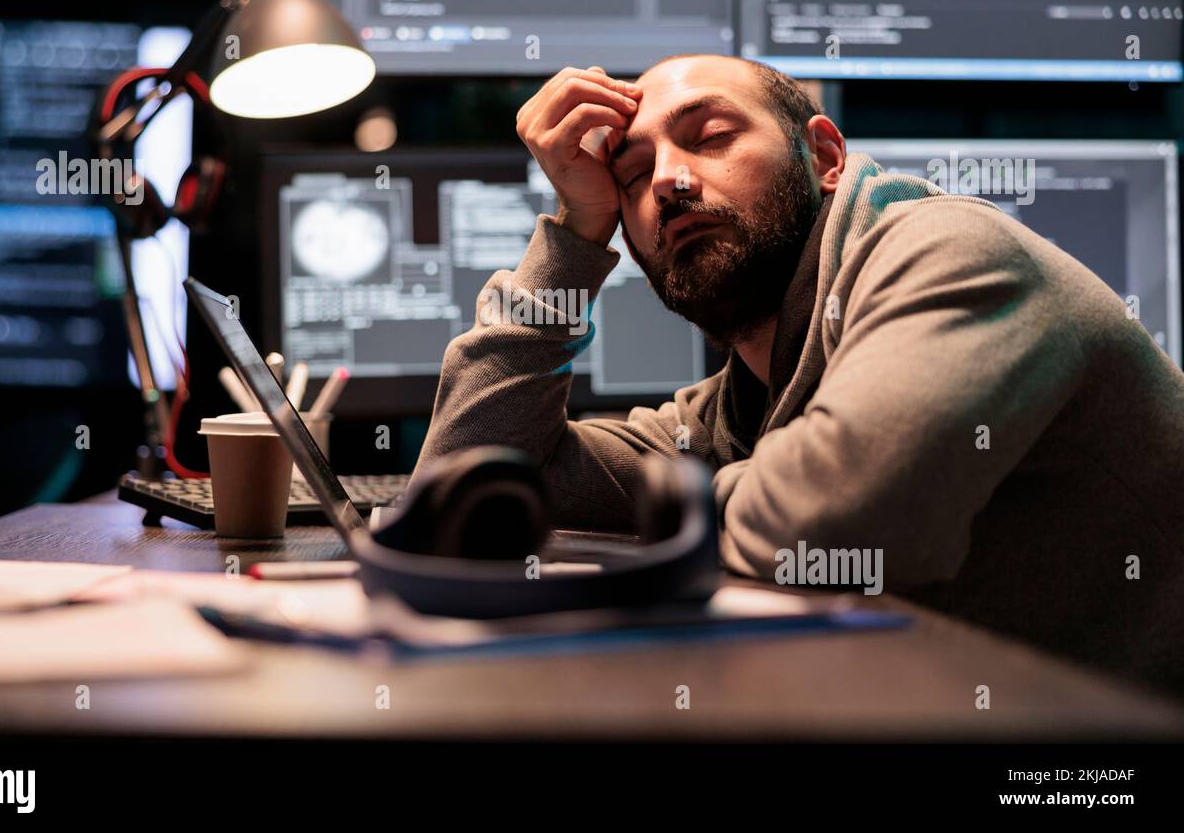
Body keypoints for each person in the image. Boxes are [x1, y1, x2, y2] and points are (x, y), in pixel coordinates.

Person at [415, 54, 1184, 696]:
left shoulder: (950, 249)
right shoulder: (737, 406)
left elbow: (831, 523)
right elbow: (462, 487)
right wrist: (575, 236)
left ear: (823, 157)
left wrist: (683, 500)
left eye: (710, 136)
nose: (667, 182)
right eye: (634, 170)